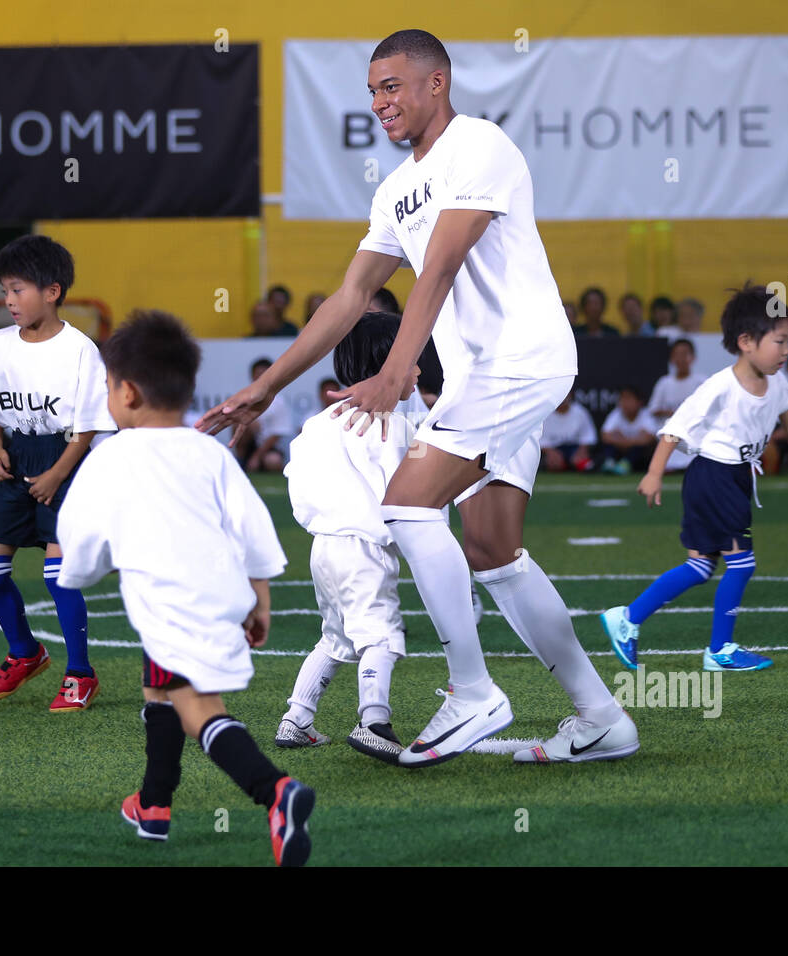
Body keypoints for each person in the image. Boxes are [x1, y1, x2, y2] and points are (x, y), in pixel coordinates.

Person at [199, 28, 635, 767]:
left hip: (518, 359)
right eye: (371, 91)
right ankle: (601, 717)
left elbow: (438, 268)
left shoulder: (480, 146)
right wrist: (265, 388)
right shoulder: (396, 189)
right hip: (484, 379)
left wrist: (399, 372)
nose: (379, 103)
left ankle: (472, 690)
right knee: (495, 551)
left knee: (404, 504)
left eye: (392, 86)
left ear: (438, 82)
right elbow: (351, 295)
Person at [55, 310, 315, 866]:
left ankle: (275, 792)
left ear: (125, 392)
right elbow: (253, 530)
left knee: (197, 706)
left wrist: (79, 571)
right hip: (216, 594)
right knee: (160, 690)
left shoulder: (111, 456)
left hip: (170, 601)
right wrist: (260, 601)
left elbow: (78, 540)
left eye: (106, 386)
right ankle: (153, 804)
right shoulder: (209, 451)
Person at [600, 284, 788, 674]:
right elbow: (673, 430)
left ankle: (627, 618)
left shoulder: (777, 385)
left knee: (700, 566)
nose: (785, 351)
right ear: (746, 341)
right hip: (714, 477)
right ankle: (720, 649)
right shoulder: (719, 386)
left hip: (732, 478)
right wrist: (655, 473)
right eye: (779, 341)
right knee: (741, 564)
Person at [0, 234, 116, 712]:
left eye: (18, 289)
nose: (8, 300)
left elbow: (89, 424)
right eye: (5, 290)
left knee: (58, 575)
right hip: (18, 456)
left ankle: (80, 674)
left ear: (52, 291)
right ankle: (26, 652)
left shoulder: (80, 349)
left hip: (66, 460)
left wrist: (56, 474)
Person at [276, 313, 424, 762]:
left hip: (323, 547)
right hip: (365, 548)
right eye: (412, 361)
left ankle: (297, 718)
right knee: (380, 634)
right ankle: (374, 720)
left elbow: (294, 477)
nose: (417, 371)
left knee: (335, 638)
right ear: (389, 363)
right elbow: (414, 492)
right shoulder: (396, 426)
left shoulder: (318, 423)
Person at [646, 338, 706, 471]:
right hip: (669, 436)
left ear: (693, 358)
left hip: (693, 435)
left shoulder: (701, 381)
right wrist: (671, 413)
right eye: (677, 354)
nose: (681, 359)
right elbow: (653, 409)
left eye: (685, 354)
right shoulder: (664, 383)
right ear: (671, 358)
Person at [245, 358, 294, 472]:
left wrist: (256, 456)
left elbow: (277, 434)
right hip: (248, 444)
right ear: (252, 376)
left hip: (269, 448)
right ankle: (241, 460)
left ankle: (256, 462)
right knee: (240, 423)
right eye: (257, 375)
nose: (260, 378)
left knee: (273, 461)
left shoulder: (279, 402)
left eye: (264, 375)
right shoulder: (244, 399)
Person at [600, 385, 656, 474]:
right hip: (620, 449)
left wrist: (626, 441)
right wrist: (624, 442)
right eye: (622, 399)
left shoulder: (646, 415)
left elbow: (649, 439)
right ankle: (610, 463)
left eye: (629, 399)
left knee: (638, 449)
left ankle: (625, 464)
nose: (625, 403)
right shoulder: (616, 414)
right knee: (609, 447)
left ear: (639, 402)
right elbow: (605, 436)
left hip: (638, 454)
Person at [540, 388, 598, 472]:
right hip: (553, 449)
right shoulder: (545, 413)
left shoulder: (580, 412)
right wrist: (551, 453)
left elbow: (588, 436)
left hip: (575, 449)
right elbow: (541, 440)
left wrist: (581, 452)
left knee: (585, 464)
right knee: (551, 464)